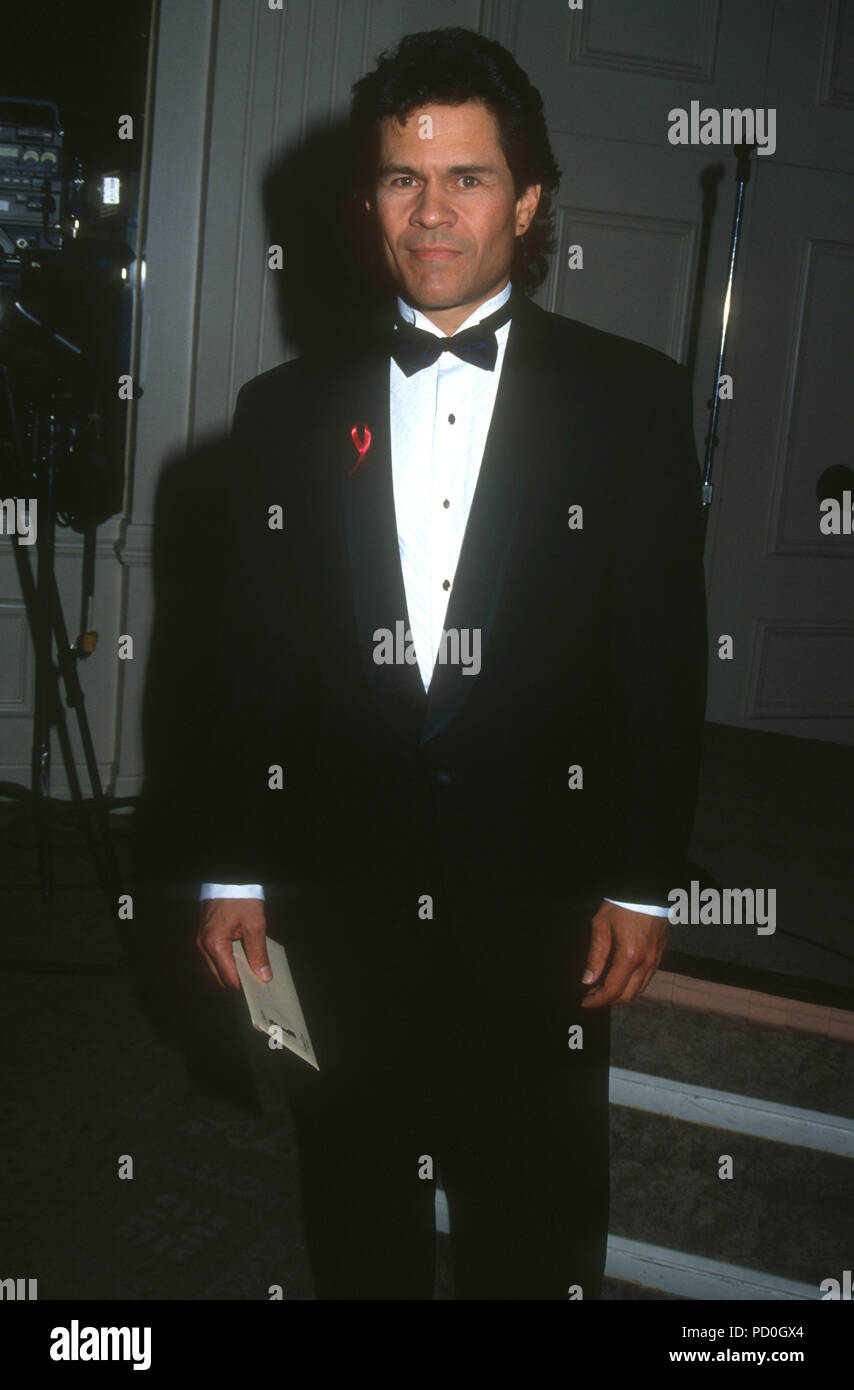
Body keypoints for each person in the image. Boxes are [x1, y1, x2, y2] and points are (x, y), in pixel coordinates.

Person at [192, 27, 707, 1300]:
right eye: (400, 180)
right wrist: (231, 864)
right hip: (337, 886)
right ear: (367, 198)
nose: (432, 214)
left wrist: (642, 880)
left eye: (466, 178)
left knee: (533, 1204)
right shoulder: (282, 413)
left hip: (542, 886)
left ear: (527, 200)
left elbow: (659, 656)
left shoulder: (630, 400)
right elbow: (246, 665)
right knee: (352, 1182)